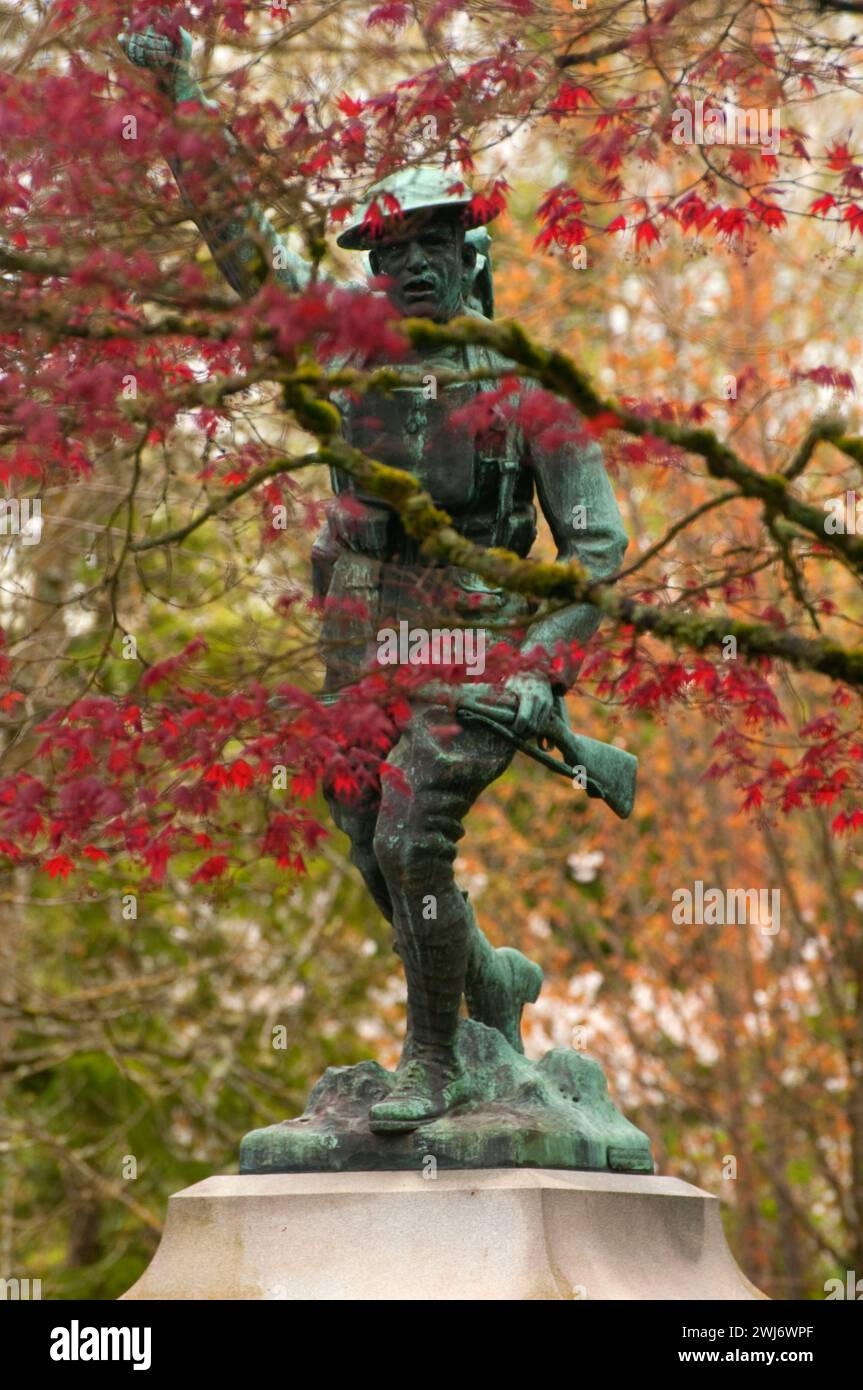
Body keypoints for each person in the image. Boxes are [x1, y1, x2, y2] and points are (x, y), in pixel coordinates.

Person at [121, 23, 629, 1133]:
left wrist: (547, 670)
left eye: (429, 244)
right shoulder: (348, 353)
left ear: (470, 254)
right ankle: (488, 983)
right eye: (384, 253)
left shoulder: (530, 394)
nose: (404, 267)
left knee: (409, 834)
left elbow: (596, 551)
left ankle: (432, 1060)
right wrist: (176, 89)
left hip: (478, 657)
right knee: (368, 844)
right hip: (359, 657)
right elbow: (242, 248)